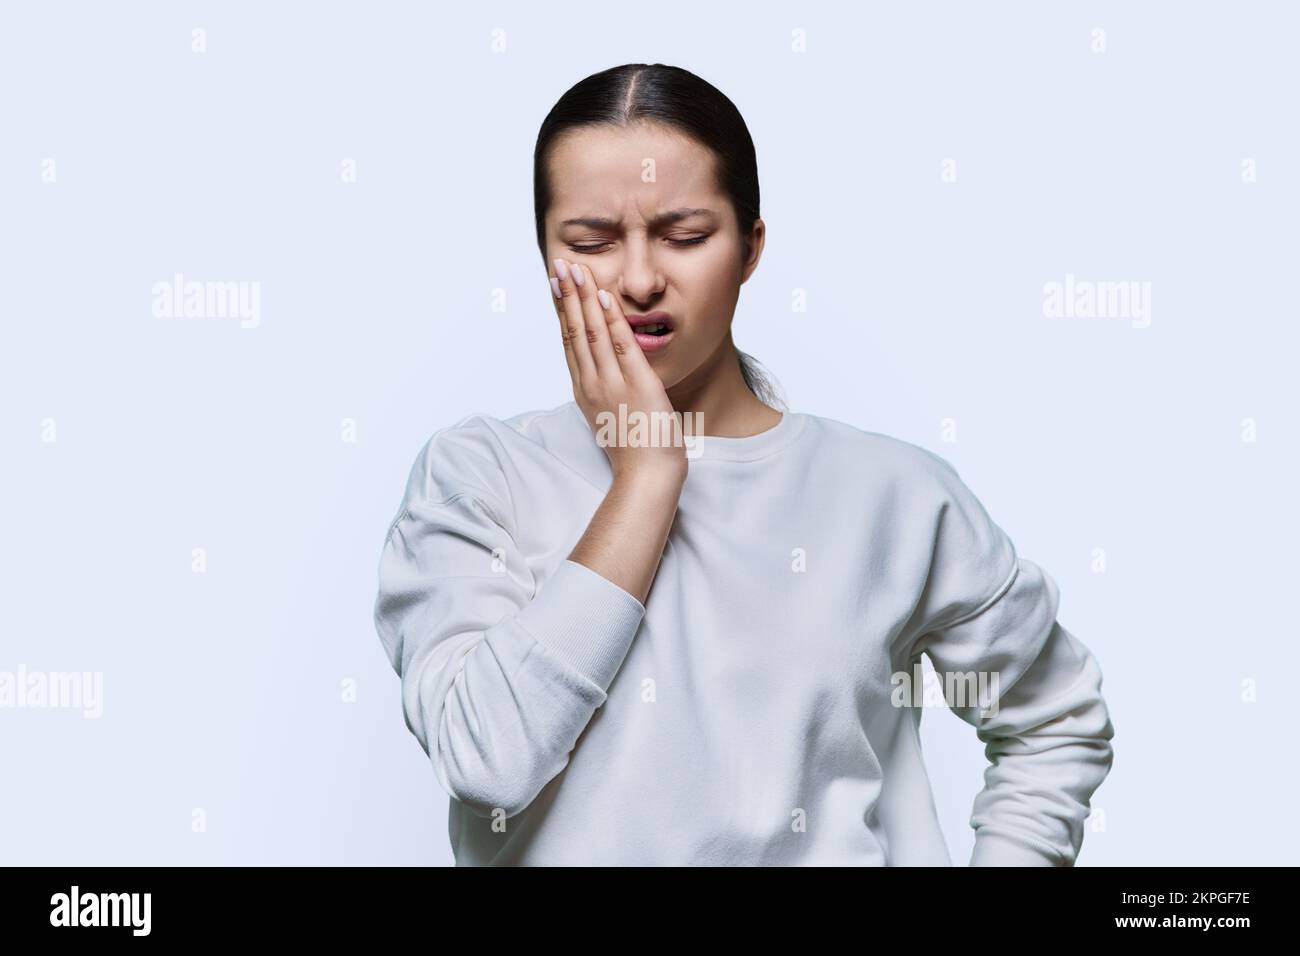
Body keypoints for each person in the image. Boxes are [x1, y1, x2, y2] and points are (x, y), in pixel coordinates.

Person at [372, 63, 1115, 866]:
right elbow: (488, 761)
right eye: (591, 241)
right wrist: (649, 478)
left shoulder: (892, 496)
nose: (640, 279)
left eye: (685, 236)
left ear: (751, 246)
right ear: (547, 253)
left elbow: (1054, 717)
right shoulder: (479, 476)